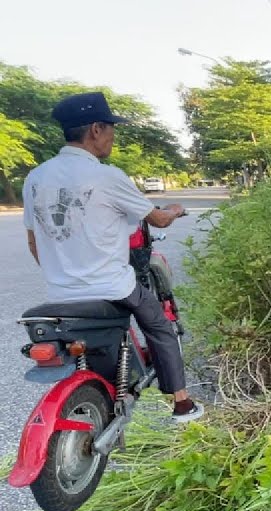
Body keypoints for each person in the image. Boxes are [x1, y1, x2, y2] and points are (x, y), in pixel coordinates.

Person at [23, 92, 202, 422]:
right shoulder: (107, 176)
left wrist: (64, 275)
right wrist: (175, 210)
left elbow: (34, 242)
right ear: (95, 129)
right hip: (112, 287)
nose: (112, 137)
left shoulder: (35, 177)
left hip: (60, 293)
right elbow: (158, 220)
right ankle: (182, 403)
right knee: (160, 326)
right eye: (110, 129)